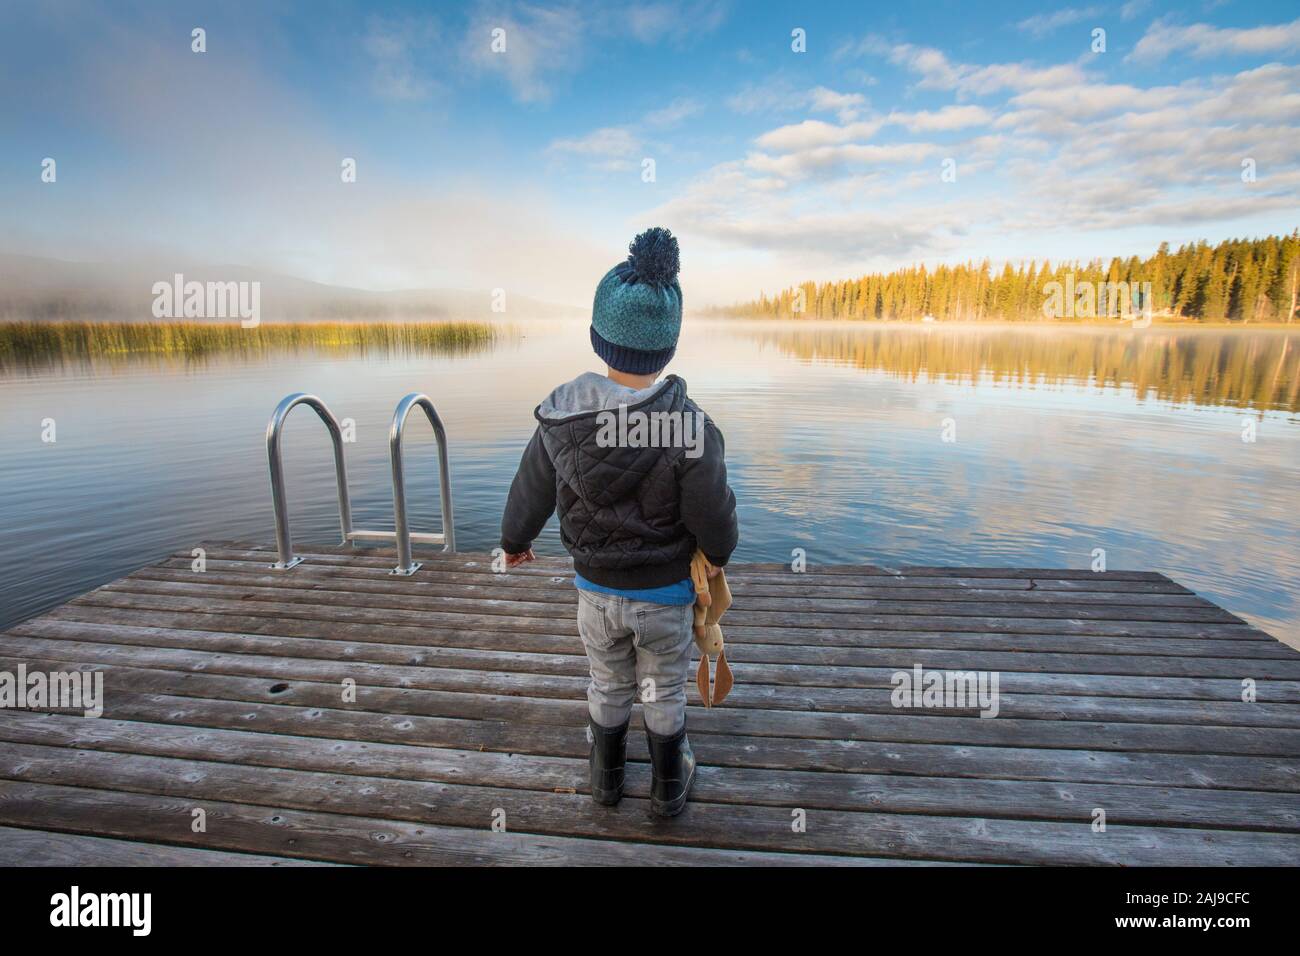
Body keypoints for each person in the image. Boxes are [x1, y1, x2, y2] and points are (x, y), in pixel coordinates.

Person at [499, 226, 739, 817]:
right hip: (665, 595)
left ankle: (605, 781)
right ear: (669, 348)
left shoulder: (559, 417)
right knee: (662, 688)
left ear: (596, 337)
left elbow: (529, 491)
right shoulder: (688, 425)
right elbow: (715, 521)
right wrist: (718, 553)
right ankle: (666, 787)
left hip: (595, 591)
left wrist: (514, 542)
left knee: (607, 682)